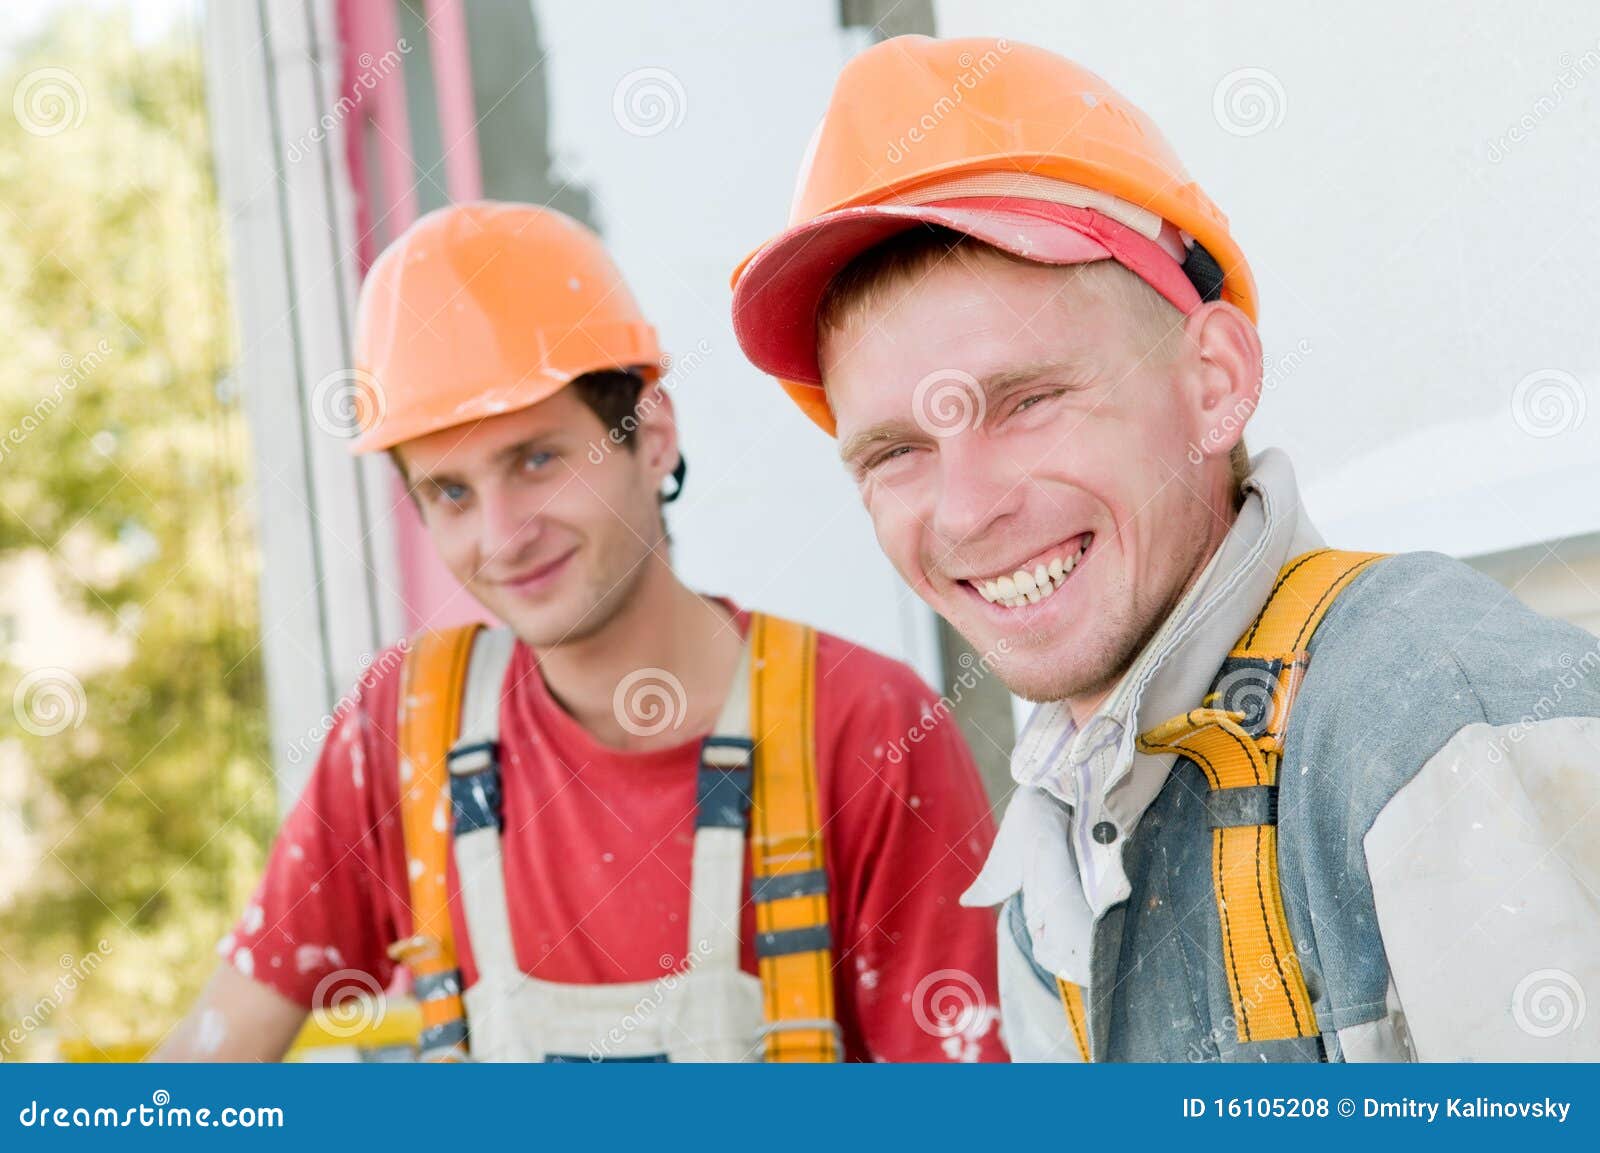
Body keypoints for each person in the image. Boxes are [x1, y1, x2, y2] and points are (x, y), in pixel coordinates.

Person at [729, 35, 1600, 1061]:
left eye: (1029, 401)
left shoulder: (1434, 723)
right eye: (896, 452)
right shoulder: (1049, 871)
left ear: (1213, 381)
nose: (963, 514)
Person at [156, 201, 1004, 1063]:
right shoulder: (402, 730)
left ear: (653, 436)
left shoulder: (864, 727)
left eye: (537, 460)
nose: (502, 535)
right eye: (451, 491)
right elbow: (203, 1067)